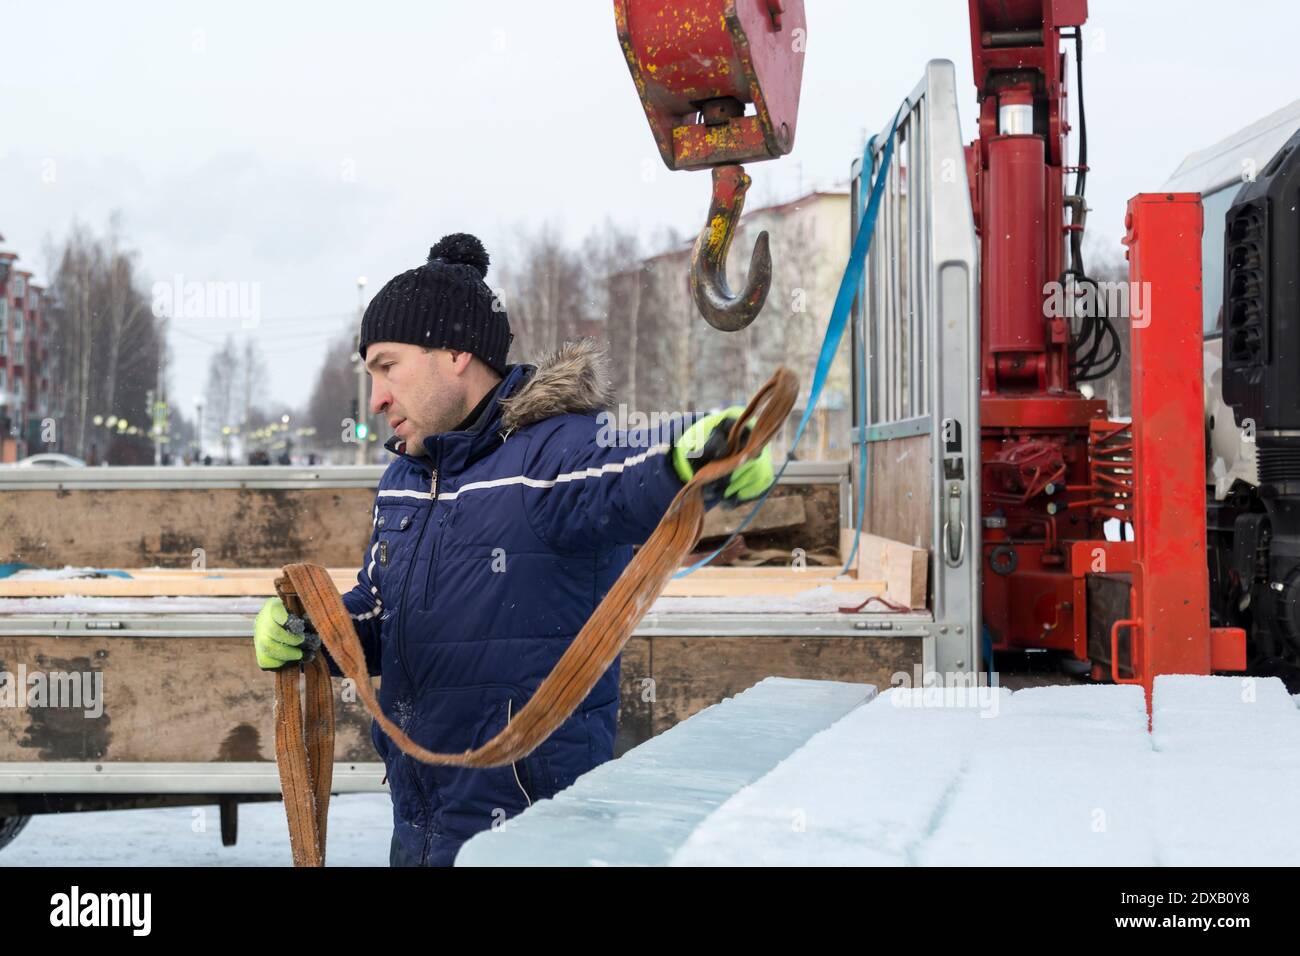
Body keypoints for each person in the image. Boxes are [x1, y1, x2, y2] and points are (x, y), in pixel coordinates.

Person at [252, 233, 775, 866]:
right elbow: (380, 615)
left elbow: (627, 474)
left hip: (528, 838)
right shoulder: (405, 479)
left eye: (386, 366)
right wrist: (312, 630)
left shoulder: (552, 456)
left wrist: (703, 453)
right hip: (418, 827)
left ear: (454, 352)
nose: (376, 399)